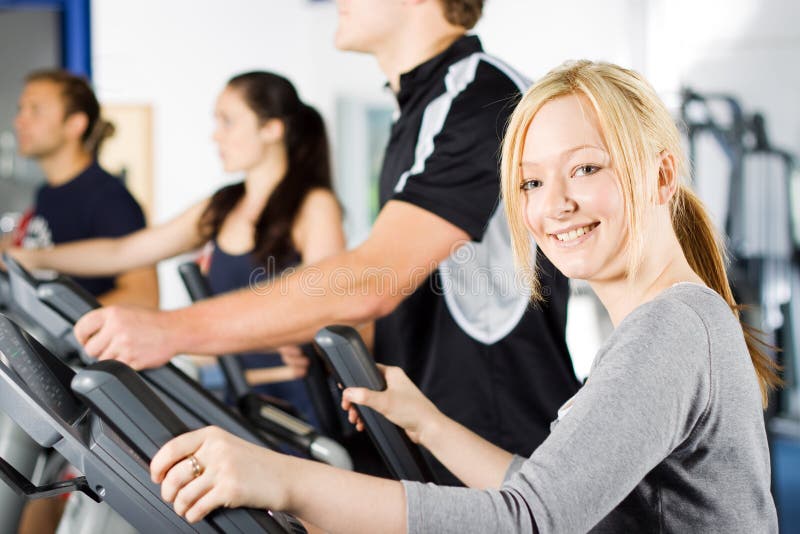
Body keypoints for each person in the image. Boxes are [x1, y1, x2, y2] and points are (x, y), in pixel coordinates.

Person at [148, 60, 781, 533]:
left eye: (586, 168)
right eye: (530, 182)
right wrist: (427, 423)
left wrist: (284, 480)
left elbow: (528, 520)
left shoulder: (668, 330)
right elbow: (555, 496)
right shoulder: (671, 321)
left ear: (661, 173)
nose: (553, 204)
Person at [71, 0, 580, 484]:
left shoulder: (482, 99)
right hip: (431, 433)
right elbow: (419, 292)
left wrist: (169, 330)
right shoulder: (423, 106)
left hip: (496, 446)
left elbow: (369, 278)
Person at [8, 71, 344, 424]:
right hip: (239, 401)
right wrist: (29, 257)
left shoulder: (313, 206)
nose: (216, 135)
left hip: (301, 408)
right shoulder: (223, 205)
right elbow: (122, 253)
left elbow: (333, 309)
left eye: (228, 122)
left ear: (271, 129)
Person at [6, 69, 158, 307]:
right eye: (21, 110)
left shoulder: (109, 198)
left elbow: (144, 297)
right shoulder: (46, 192)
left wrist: (64, 329)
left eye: (35, 110)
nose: (20, 121)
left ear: (75, 124)